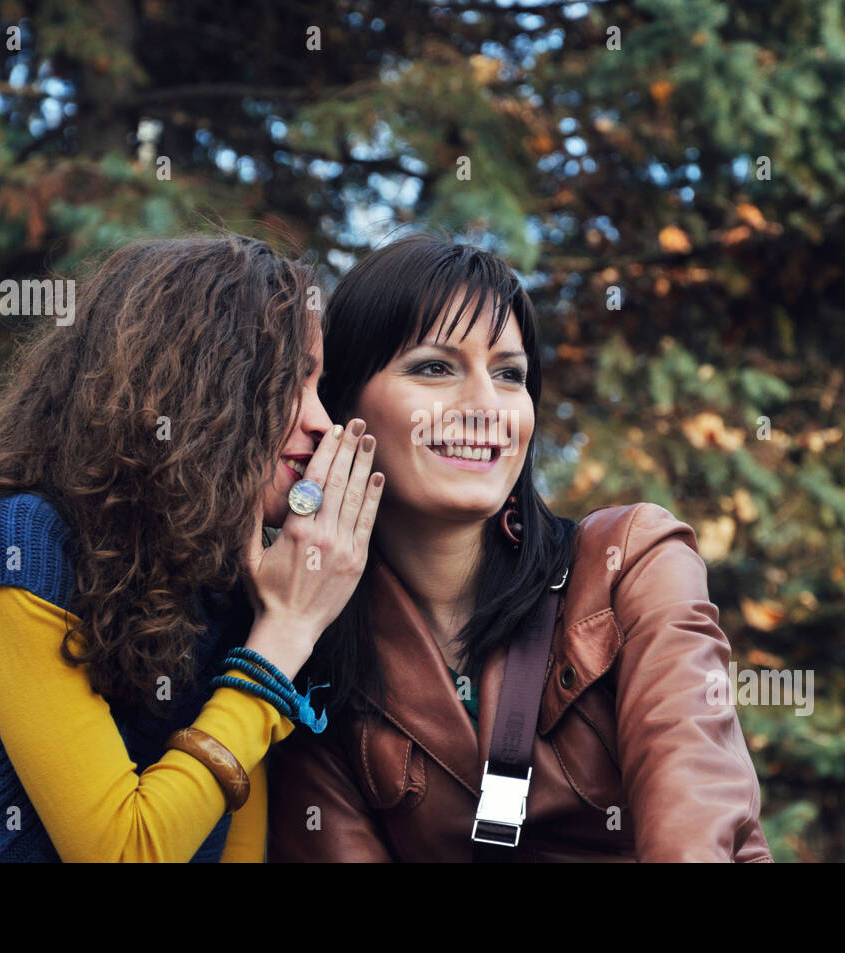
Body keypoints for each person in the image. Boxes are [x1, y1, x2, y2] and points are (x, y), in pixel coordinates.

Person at [0, 234, 383, 861]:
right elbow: (124, 851)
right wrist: (284, 637)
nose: (321, 421)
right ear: (203, 391)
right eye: (290, 385)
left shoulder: (222, 593)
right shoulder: (17, 549)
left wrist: (269, 628)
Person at [267, 234, 772, 861]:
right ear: (343, 407)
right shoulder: (309, 648)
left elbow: (697, 812)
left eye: (510, 375)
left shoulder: (630, 561)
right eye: (434, 367)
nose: (486, 407)